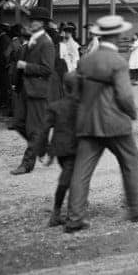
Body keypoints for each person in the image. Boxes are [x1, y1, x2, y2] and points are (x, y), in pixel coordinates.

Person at [64, 14, 138, 233]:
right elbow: (124, 96)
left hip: (88, 123)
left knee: (82, 170)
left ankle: (75, 217)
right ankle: (136, 207)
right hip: (115, 124)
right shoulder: (118, 62)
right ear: (117, 35)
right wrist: (132, 113)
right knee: (131, 161)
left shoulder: (86, 60)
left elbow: (70, 80)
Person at [11, 8, 57, 174]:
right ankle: (43, 145)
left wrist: (26, 66)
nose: (32, 23)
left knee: (35, 129)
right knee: (18, 124)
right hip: (26, 89)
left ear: (43, 23)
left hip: (38, 90)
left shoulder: (46, 42)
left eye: (36, 20)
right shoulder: (33, 41)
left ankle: (26, 164)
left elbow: (47, 69)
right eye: (31, 20)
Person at [44, 71, 80, 226]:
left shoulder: (55, 106)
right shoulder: (81, 106)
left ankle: (67, 210)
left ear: (64, 88)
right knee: (66, 180)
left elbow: (43, 130)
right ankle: (58, 213)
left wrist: (44, 151)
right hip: (75, 150)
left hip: (59, 150)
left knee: (70, 178)